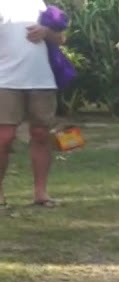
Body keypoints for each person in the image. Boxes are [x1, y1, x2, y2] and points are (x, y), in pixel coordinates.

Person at [0, 0, 64, 207]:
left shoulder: (39, 4)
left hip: (41, 79)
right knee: (4, 137)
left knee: (41, 134)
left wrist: (46, 32)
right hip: (5, 80)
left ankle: (41, 193)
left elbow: (60, 39)